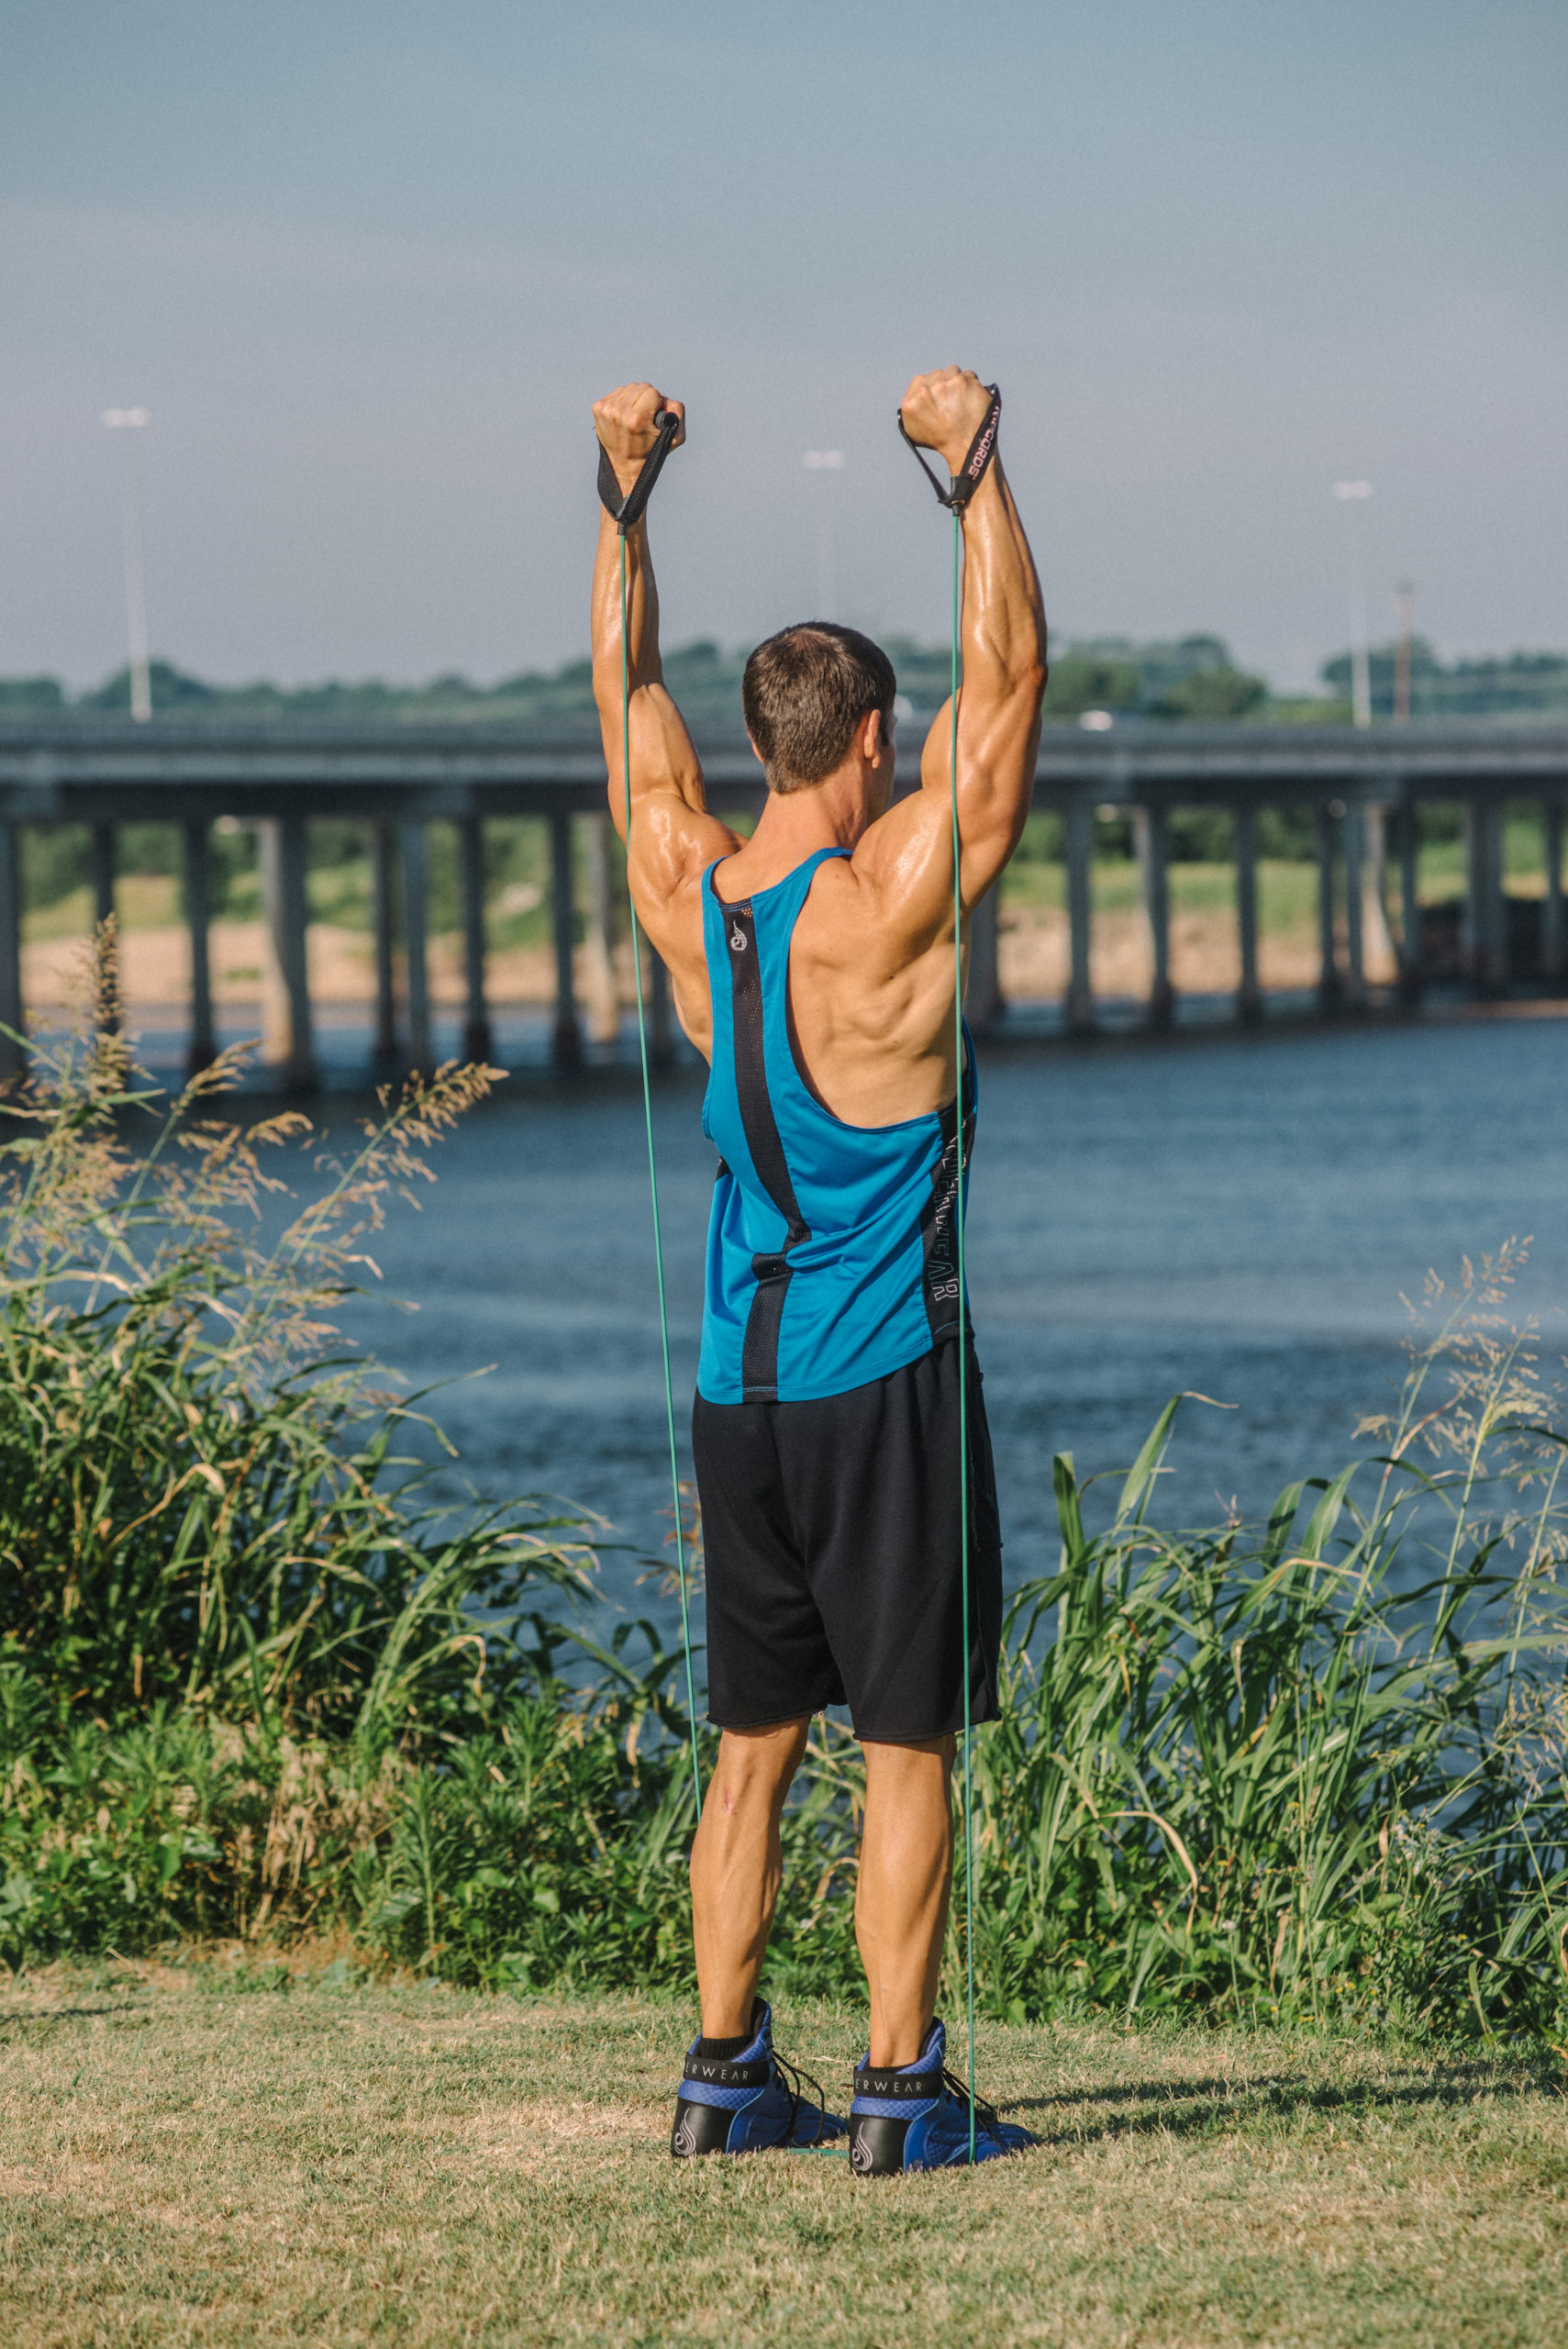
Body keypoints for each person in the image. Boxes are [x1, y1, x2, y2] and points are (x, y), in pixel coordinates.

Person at [590, 369, 1047, 2174]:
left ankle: (720, 2077)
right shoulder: (893, 899)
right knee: (908, 1753)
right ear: (867, 742)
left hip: (738, 1386)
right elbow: (1010, 689)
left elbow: (625, 702)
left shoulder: (684, 884)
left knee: (751, 1748)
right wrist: (974, 472)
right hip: (883, 1386)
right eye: (896, 734)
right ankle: (901, 2097)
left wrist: (623, 498)